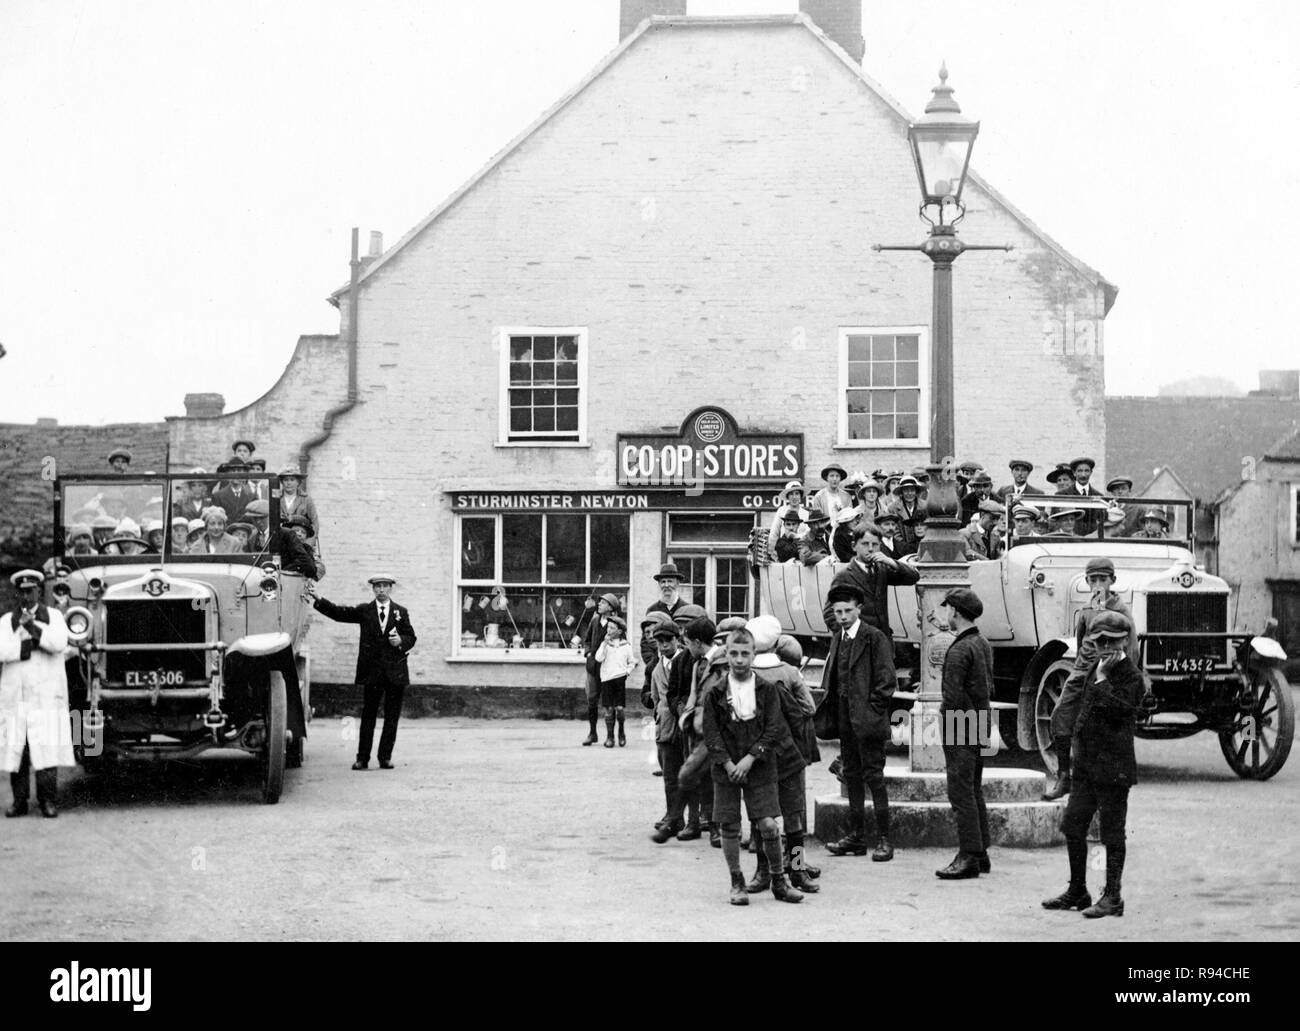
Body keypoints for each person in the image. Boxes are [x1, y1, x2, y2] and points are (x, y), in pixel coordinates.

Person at [1042, 611, 1145, 918]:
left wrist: (1101, 682)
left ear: (1124, 641)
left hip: (1114, 768)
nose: (1103, 647)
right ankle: (1077, 890)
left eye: (1110, 641)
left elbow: (1119, 712)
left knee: (1112, 834)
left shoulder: (1132, 678)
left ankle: (1113, 897)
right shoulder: (1093, 670)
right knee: (1073, 825)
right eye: (1098, 641)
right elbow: (1082, 712)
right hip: (1087, 766)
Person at [700, 627, 803, 905]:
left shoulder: (768, 689)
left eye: (745, 654)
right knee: (732, 826)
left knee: (775, 823)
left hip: (767, 763)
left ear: (755, 655)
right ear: (726, 654)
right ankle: (741, 880)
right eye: (733, 653)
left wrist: (751, 757)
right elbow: (711, 733)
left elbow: (775, 728)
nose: (739, 660)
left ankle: (785, 877)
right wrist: (729, 762)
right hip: (729, 766)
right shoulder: (715, 693)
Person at [1043, 556, 1139, 801]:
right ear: (1086, 581)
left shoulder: (1120, 611)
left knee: (1095, 729)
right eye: (1093, 579)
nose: (1098, 584)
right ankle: (1064, 776)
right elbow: (1081, 642)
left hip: (1105, 672)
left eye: (1102, 579)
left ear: (1112, 581)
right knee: (1060, 717)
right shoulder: (1086, 610)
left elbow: (1132, 649)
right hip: (1081, 673)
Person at [819, 583, 897, 861]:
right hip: (844, 720)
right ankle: (857, 837)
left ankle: (885, 840)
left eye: (847, 610)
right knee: (851, 776)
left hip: (868, 722)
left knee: (874, 778)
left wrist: (872, 712)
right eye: (838, 611)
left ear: (859, 609)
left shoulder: (874, 638)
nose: (842, 616)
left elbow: (887, 682)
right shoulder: (838, 638)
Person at [313, 575, 417, 770]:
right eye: (378, 586)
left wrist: (401, 641)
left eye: (385, 586)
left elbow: (411, 636)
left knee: (391, 717)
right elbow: (339, 613)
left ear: (391, 589)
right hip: (373, 673)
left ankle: (385, 757)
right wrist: (319, 600)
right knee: (368, 715)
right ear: (373, 589)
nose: (381, 590)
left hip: (396, 674)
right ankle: (362, 758)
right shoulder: (365, 611)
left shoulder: (400, 612)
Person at [749, 618, 819, 894]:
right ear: (776, 643)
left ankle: (762, 871)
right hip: (789, 754)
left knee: (761, 815)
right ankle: (798, 870)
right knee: (793, 817)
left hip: (758, 756)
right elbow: (809, 708)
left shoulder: (745, 673)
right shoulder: (790, 672)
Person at [0, 570, 75, 818]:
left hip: (45, 694)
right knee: (17, 749)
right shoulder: (5, 621)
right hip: (17, 695)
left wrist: (33, 629)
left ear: (39, 592)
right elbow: (2, 650)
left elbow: (59, 644)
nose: (26, 596)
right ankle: (19, 802)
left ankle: (47, 801)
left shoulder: (53, 616)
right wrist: (25, 647)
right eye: (21, 591)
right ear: (16, 593)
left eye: (30, 591)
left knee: (47, 747)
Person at [934, 587, 994, 879]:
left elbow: (952, 697)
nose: (947, 614)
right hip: (979, 722)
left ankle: (968, 855)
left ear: (956, 611)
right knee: (974, 789)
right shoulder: (982, 643)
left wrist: (944, 724)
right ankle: (980, 852)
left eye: (948, 609)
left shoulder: (958, 649)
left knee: (960, 792)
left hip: (959, 725)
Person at [822, 524, 920, 640]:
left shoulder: (882, 570)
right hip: (856, 647)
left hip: (882, 642)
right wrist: (853, 637)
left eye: (875, 545)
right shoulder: (844, 576)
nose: (870, 548)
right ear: (854, 546)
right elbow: (830, 614)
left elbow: (913, 577)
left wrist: (891, 561)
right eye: (865, 544)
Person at [647, 616, 688, 842]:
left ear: (677, 639)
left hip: (683, 727)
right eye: (659, 641)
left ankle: (692, 818)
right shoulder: (656, 669)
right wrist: (659, 716)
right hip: (664, 728)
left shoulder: (686, 662)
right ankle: (673, 815)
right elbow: (655, 698)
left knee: (688, 774)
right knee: (670, 776)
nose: (663, 645)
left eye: (668, 640)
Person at [581, 593, 622, 745]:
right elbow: (587, 640)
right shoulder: (595, 620)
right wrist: (589, 653)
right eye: (599, 603)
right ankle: (592, 734)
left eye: (603, 603)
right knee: (591, 700)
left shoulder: (617, 623)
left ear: (611, 607)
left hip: (609, 669)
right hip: (592, 668)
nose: (599, 605)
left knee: (608, 702)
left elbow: (622, 644)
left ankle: (610, 736)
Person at [594, 616, 637, 748]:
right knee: (609, 709)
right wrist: (604, 644)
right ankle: (610, 737)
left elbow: (632, 662)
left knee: (619, 708)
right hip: (607, 679)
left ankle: (621, 732)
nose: (609, 630)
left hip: (619, 679)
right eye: (608, 627)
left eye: (612, 628)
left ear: (619, 631)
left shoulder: (626, 646)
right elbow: (598, 658)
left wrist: (627, 672)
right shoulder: (605, 644)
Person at [1059, 457, 1105, 534]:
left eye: (1086, 471)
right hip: (1069, 540)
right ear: (1074, 473)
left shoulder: (1099, 496)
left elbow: (1102, 522)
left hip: (1092, 541)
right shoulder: (1062, 495)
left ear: (1091, 472)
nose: (1083, 475)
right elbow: (1055, 523)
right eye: (1080, 471)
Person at [890, 476, 925, 556]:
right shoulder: (893, 508)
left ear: (916, 492)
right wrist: (904, 547)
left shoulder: (924, 506)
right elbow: (895, 532)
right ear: (901, 492)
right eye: (906, 490)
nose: (909, 493)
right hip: (901, 550)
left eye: (912, 490)